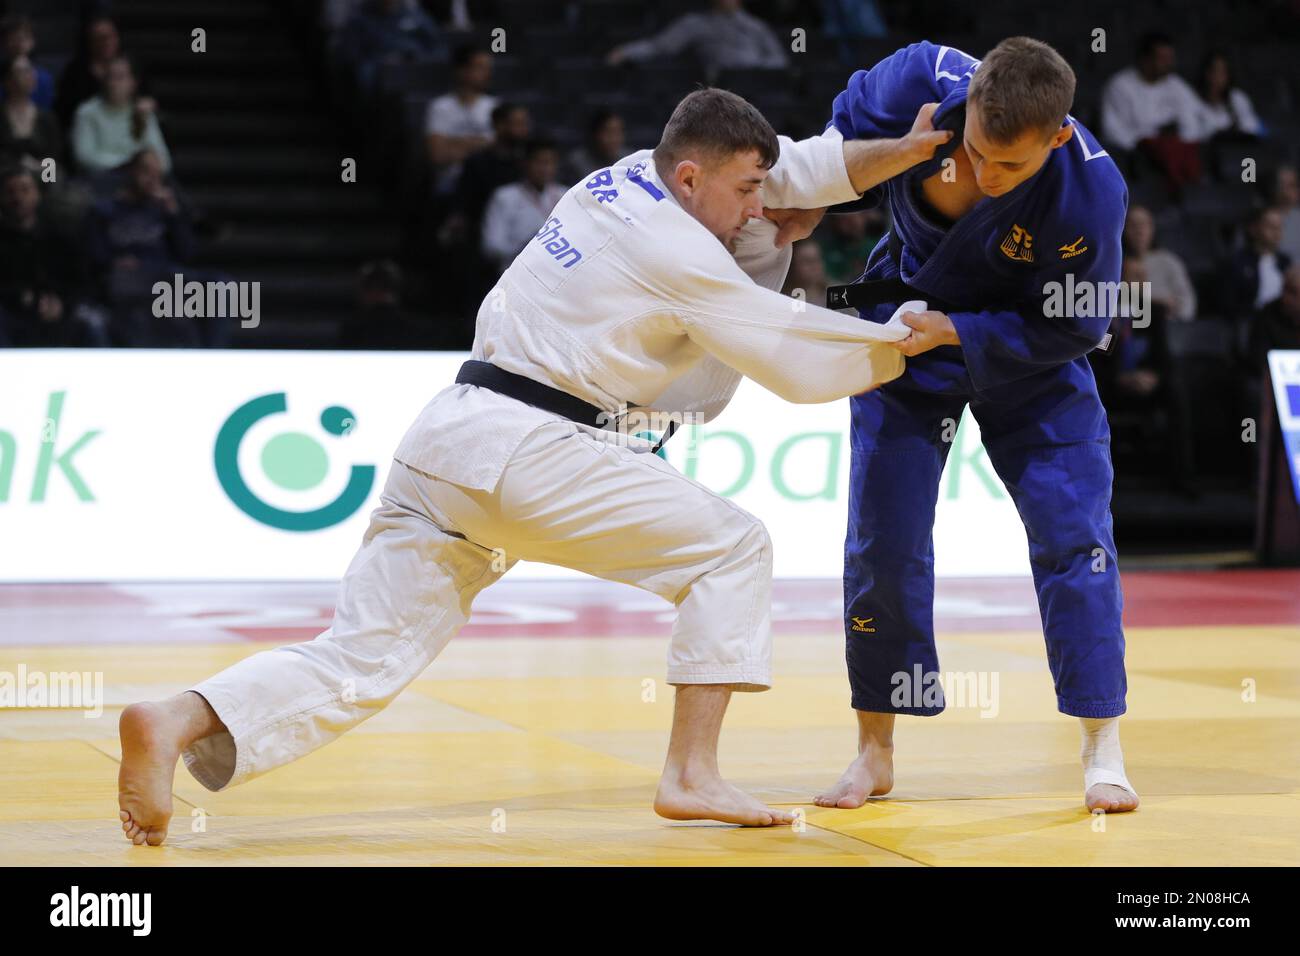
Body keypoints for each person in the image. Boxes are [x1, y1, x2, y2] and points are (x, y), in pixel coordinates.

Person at [115, 86, 953, 845]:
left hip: (447, 443)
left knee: (360, 657)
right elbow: (782, 347)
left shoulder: (622, 176)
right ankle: (691, 773)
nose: (754, 208)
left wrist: (908, 153)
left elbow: (799, 171)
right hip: (534, 450)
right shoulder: (679, 250)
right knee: (733, 548)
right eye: (742, 193)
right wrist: (901, 339)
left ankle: (178, 717)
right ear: (691, 177)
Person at [780, 38, 1139, 814]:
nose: (986, 176)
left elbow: (1079, 326)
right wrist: (825, 188)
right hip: (905, 323)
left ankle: (1101, 746)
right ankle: (874, 751)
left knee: (1077, 537)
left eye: (1010, 167)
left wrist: (960, 331)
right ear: (969, 102)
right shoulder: (920, 78)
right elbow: (834, 147)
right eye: (977, 152)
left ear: (1059, 135)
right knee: (884, 538)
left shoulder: (1092, 191)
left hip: (1028, 355)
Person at [0, 165, 100, 346]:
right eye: (10, 191)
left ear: (37, 194)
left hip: (61, 307)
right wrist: (24, 299)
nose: (18, 198)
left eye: (25, 189)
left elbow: (82, 280)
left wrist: (62, 303)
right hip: (12, 311)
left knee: (92, 322)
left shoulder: (60, 234)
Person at [1100, 32, 1202, 195]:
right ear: (1145, 59)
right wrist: (1145, 145)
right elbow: (1112, 130)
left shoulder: (1177, 85)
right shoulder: (1120, 85)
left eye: (1170, 58)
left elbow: (1194, 125)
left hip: (1172, 155)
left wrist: (1170, 142)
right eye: (1162, 59)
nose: (1168, 64)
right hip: (1135, 157)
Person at [606, 0, 788, 75]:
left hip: (757, 88)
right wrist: (625, 52)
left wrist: (753, 69)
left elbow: (779, 59)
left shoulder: (756, 26)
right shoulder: (696, 24)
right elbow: (660, 46)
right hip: (720, 91)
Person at [70, 56, 171, 177]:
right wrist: (126, 165)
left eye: (120, 78)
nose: (113, 83)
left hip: (140, 181)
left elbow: (164, 160)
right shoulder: (87, 112)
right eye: (110, 77)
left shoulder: (142, 111)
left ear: (133, 83)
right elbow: (84, 157)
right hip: (101, 181)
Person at [481, 138, 566, 269]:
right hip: (514, 271)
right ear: (525, 163)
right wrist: (525, 247)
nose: (545, 169)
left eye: (549, 162)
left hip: (557, 272)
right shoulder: (504, 197)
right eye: (539, 162)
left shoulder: (565, 195)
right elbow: (492, 245)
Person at [425, 45, 496, 194]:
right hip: (450, 186)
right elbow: (438, 155)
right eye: (480, 67)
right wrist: (481, 143)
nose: (487, 73)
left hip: (486, 185)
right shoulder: (440, 107)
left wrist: (454, 142)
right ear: (462, 70)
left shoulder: (494, 106)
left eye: (488, 68)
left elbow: (497, 151)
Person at [1123, 204, 1196, 321]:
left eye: (1143, 225)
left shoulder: (1169, 261)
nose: (1139, 231)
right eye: (1132, 226)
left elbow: (1188, 306)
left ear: (1152, 229)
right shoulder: (1117, 265)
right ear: (1123, 229)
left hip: (1168, 329)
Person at [55, 15, 124, 128]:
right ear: (90, 41)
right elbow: (65, 111)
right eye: (100, 38)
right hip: (85, 127)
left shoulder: (129, 66)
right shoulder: (74, 72)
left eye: (109, 37)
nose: (106, 42)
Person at [0, 54, 64, 170]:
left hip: (42, 175)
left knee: (53, 175)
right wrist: (21, 164)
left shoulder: (47, 117)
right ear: (7, 80)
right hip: (6, 176)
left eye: (30, 70)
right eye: (22, 71)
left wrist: (39, 168)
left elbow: (54, 154)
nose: (30, 75)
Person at [1189, 50, 1263, 143]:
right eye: (1216, 71)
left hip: (1234, 152)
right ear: (1207, 74)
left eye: (1223, 72)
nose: (1219, 77)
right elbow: (1191, 135)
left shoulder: (1237, 98)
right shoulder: (1192, 99)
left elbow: (1252, 129)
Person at [0, 16, 54, 110]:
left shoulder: (43, 78)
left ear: (32, 41)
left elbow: (45, 110)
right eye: (13, 38)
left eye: (24, 37)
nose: (19, 43)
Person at [564, 109, 626, 185]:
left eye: (618, 132)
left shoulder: (629, 159)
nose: (614, 138)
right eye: (609, 132)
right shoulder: (576, 163)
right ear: (596, 134)